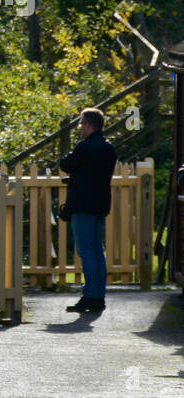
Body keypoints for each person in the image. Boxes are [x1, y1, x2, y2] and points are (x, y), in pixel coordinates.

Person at [59, 108, 117, 313]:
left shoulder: (85, 147)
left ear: (89, 124)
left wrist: (70, 155)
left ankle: (90, 295)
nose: (81, 128)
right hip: (100, 205)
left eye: (82, 124)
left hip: (82, 205)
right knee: (97, 251)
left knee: (86, 252)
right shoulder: (109, 149)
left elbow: (66, 164)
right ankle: (99, 295)